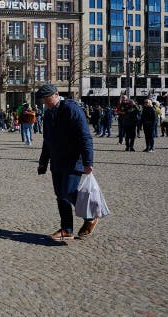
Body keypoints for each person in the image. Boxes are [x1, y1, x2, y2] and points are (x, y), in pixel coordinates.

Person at [36, 84, 98, 241]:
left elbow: (85, 136)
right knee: (60, 195)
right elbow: (47, 140)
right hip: (57, 160)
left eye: (47, 99)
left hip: (73, 159)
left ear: (56, 95)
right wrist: (43, 161)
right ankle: (67, 229)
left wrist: (88, 161)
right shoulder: (48, 114)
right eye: (43, 100)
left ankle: (90, 216)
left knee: (69, 191)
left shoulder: (71, 109)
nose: (45, 103)